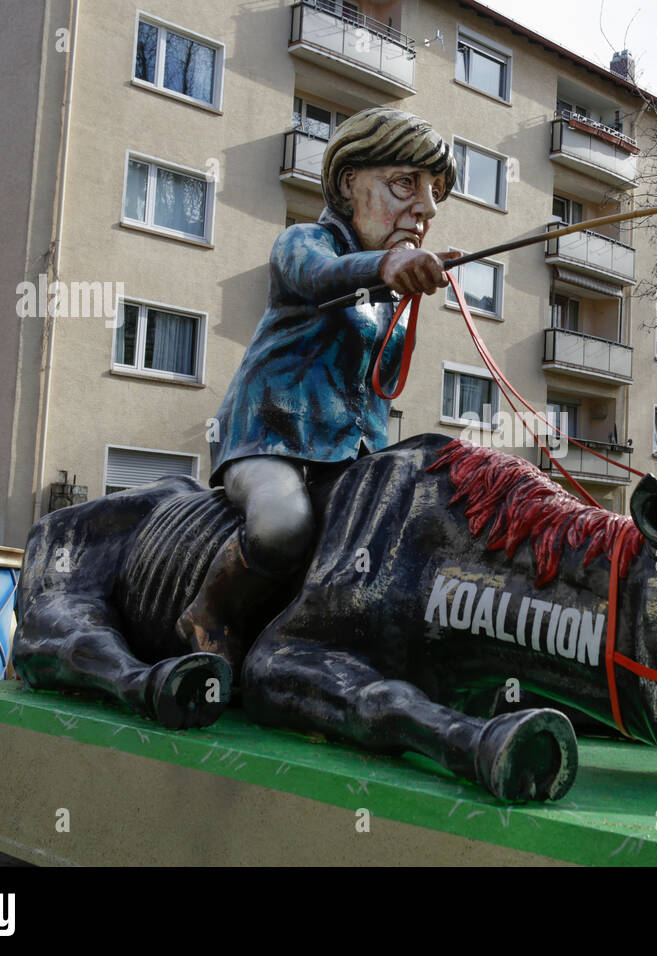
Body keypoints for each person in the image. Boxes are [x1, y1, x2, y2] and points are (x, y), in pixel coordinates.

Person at [177, 107, 460, 667]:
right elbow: (318, 276)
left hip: (353, 456)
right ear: (349, 181)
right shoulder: (304, 242)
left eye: (433, 192)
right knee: (283, 525)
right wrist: (385, 266)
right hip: (271, 441)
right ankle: (207, 614)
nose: (425, 208)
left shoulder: (393, 299)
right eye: (406, 184)